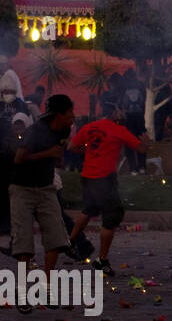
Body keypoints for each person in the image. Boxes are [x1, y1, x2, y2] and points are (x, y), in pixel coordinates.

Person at [7, 95, 76, 309]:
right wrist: (48, 153)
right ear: (59, 114)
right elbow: (19, 158)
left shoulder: (64, 130)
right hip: (22, 190)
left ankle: (46, 289)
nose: (73, 116)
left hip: (46, 189)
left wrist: (57, 158)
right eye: (70, 112)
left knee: (56, 238)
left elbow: (59, 152)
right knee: (24, 243)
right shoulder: (36, 131)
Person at [66, 105, 147, 277]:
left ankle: (70, 241)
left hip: (88, 175)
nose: (120, 114)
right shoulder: (118, 129)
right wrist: (147, 142)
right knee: (112, 216)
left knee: (88, 209)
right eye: (118, 111)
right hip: (104, 180)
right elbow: (140, 148)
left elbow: (71, 146)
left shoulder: (89, 127)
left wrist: (86, 151)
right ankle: (102, 260)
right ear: (113, 113)